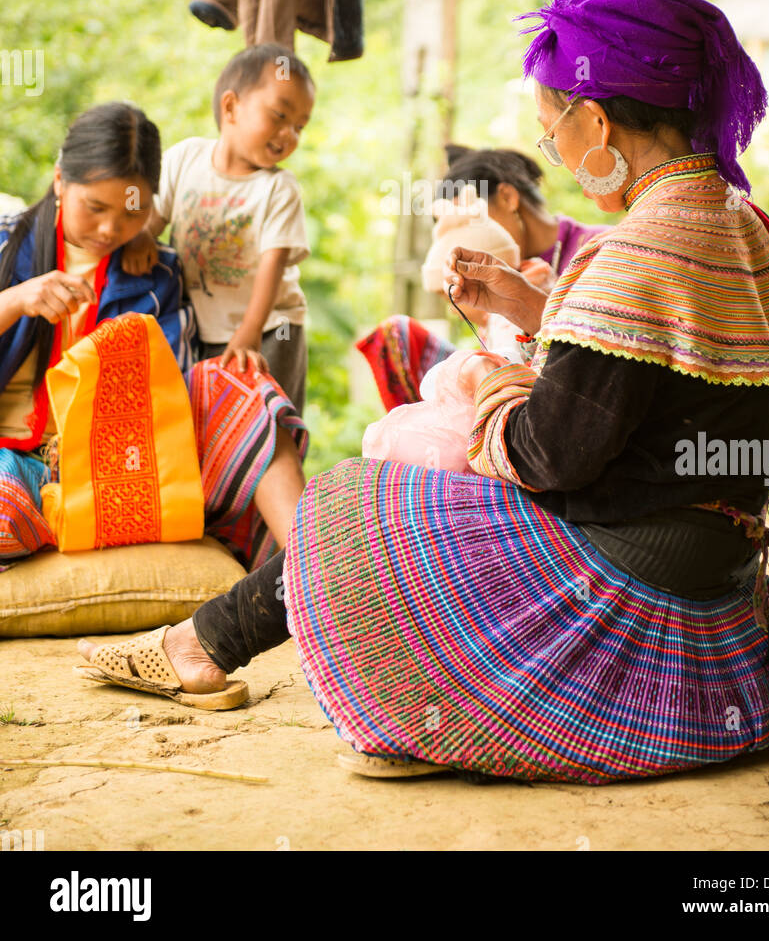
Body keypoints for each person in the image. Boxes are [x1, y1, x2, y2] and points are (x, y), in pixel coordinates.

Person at [77, 0, 769, 788]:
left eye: (554, 136)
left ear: (596, 121)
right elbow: (667, 383)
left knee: (352, 507)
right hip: (720, 551)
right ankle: (212, 646)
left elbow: (551, 458)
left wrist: (492, 378)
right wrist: (534, 306)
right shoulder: (735, 223)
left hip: (637, 564)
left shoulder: (639, 253)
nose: (563, 162)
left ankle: (206, 649)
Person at [0, 102, 307, 572]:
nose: (110, 229)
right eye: (94, 208)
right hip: (11, 456)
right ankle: (51, 515)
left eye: (130, 212)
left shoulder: (157, 271)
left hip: (115, 468)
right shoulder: (5, 243)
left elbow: (170, 401)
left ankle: (314, 567)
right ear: (60, 180)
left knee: (243, 384)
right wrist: (18, 299)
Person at [123, 44, 314, 414]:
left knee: (271, 424)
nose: (288, 134)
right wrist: (142, 237)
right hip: (199, 328)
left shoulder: (279, 188)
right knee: (212, 431)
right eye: (279, 115)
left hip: (272, 328)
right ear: (230, 107)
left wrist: (251, 329)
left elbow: (273, 265)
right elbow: (153, 219)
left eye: (300, 127)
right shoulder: (184, 158)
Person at [356, 143, 605, 409]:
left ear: (508, 198)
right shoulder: (489, 275)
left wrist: (532, 306)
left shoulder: (601, 250)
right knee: (398, 335)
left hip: (569, 399)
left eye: (470, 218)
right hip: (511, 397)